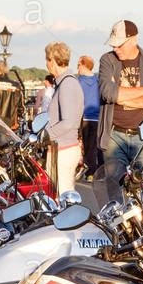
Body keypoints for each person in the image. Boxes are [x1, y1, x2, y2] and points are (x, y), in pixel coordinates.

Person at [97, 19, 143, 202]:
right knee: (114, 186)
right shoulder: (107, 60)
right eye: (113, 45)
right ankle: (118, 226)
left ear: (133, 40)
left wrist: (123, 98)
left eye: (119, 45)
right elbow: (107, 93)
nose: (115, 49)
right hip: (114, 134)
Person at [44, 41, 84, 195]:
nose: (46, 64)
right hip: (63, 148)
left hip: (63, 150)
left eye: (47, 60)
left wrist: (46, 136)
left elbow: (68, 122)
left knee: (63, 196)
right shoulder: (65, 83)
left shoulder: (67, 84)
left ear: (53, 61)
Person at [77, 56, 100, 179]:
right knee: (93, 146)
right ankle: (92, 171)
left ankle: (88, 171)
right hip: (97, 118)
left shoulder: (79, 81)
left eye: (79, 65)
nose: (77, 68)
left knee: (84, 146)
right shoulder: (97, 80)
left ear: (84, 65)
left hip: (84, 117)